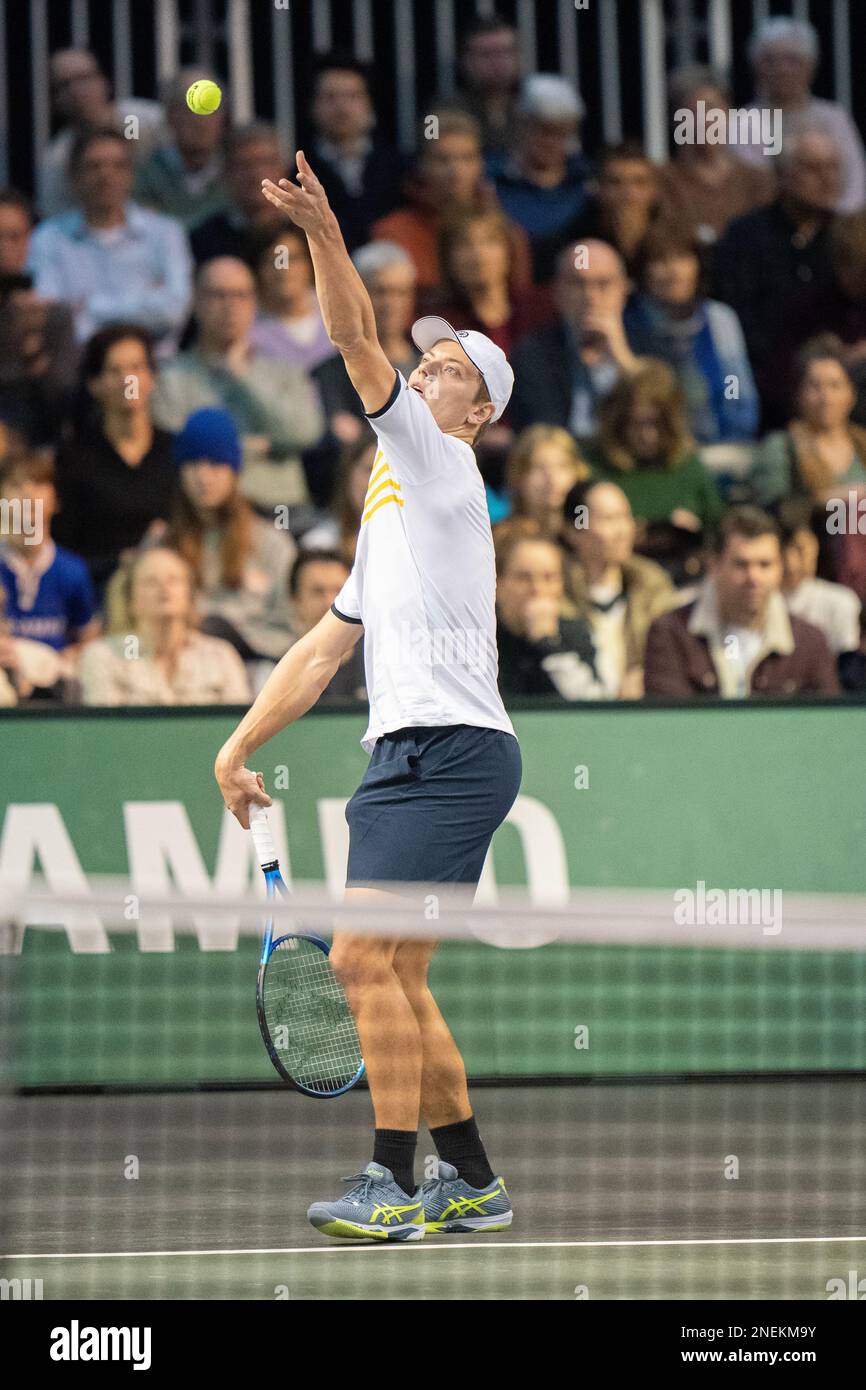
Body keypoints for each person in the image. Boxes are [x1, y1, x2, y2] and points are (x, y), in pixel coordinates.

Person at [215, 150, 522, 1242]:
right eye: (426, 360)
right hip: (420, 751)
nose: (422, 367)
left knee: (354, 959)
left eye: (442, 366)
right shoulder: (391, 501)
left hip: (445, 748)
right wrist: (236, 742)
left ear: (473, 411)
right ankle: (472, 1180)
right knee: (395, 972)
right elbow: (320, 647)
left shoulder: (439, 461)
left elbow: (351, 339)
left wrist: (323, 232)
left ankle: (390, 1181)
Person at [151, 256, 323, 513]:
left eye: (241, 295)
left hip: (282, 509)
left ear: (254, 303)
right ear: (196, 302)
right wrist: (258, 446)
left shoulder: (286, 370)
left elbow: (304, 433)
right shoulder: (171, 377)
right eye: (218, 295)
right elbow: (177, 449)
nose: (230, 306)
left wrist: (245, 377)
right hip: (204, 513)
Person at [27, 128, 193, 354]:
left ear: (131, 174)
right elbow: (52, 319)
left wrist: (89, 307)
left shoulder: (165, 233)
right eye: (93, 166)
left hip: (154, 366)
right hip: (79, 366)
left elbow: (173, 311)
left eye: (118, 166)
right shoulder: (48, 237)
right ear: (74, 176)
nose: (106, 176)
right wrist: (145, 302)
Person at [644, 507, 839, 697]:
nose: (754, 577)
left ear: (780, 568)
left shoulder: (808, 642)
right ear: (714, 566)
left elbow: (825, 725)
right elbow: (671, 723)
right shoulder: (671, 633)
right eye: (741, 565)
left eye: (765, 565)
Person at [165, 407, 296, 662]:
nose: (203, 476)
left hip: (256, 662)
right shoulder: (165, 544)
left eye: (216, 464)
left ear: (234, 471)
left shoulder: (272, 543)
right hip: (184, 664)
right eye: (193, 464)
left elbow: (288, 625)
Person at [713, 128, 841, 387]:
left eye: (833, 168)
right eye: (813, 169)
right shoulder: (745, 236)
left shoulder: (848, 237)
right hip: (767, 373)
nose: (827, 179)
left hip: (840, 372)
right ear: (782, 175)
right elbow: (737, 318)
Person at [53, 325, 176, 594]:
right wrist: (125, 561)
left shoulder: (176, 450)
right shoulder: (74, 458)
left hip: (171, 585)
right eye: (115, 370)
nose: (127, 380)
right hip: (101, 589)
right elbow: (65, 551)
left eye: (137, 367)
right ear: (94, 384)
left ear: (152, 377)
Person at [585, 360, 724, 583]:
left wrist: (694, 536)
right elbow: (575, 529)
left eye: (657, 424)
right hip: (612, 581)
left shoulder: (687, 465)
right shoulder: (596, 467)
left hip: (685, 579)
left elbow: (718, 532)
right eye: (637, 423)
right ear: (618, 420)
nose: (647, 435)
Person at [371, 109, 532, 296]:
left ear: (481, 163)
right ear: (422, 164)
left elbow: (521, 303)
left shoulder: (506, 232)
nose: (456, 171)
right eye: (443, 159)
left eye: (467, 157)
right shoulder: (393, 233)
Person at [625, 227, 759, 444]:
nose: (674, 271)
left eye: (682, 258)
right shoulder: (629, 323)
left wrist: (736, 433)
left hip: (720, 449)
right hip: (652, 448)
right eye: (660, 260)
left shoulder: (719, 318)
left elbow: (735, 387)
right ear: (643, 270)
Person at [81, 546, 249, 705]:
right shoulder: (104, 656)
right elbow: (106, 728)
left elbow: (239, 724)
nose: (164, 587)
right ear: (130, 599)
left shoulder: (221, 656)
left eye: (173, 580)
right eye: (151, 581)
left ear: (189, 595)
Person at [510, 239, 640, 438]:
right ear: (558, 293)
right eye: (578, 284)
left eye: (603, 284)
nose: (590, 296)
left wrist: (622, 358)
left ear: (623, 291)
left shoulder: (649, 343)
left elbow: (663, 421)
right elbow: (543, 432)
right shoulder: (533, 354)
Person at [738, 17, 866, 214]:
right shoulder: (743, 122)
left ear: (811, 67)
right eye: (771, 60)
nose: (782, 69)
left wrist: (836, 220)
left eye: (793, 60)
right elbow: (752, 183)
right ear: (756, 67)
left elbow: (856, 180)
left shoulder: (834, 117)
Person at [561, 479, 674, 698]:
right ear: (574, 530)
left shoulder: (654, 590)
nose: (623, 530)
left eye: (626, 517)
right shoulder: (554, 594)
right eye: (609, 519)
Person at [0, 452, 99, 678]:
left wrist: (72, 656)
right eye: (16, 484)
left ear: (55, 500)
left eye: (38, 483)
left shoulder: (72, 571)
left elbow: (89, 640)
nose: (27, 493)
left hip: (57, 689)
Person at [312, 242, 419, 445]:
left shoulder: (429, 365)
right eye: (380, 291)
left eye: (401, 292)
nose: (391, 304)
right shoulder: (331, 373)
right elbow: (342, 432)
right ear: (357, 295)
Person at [38, 48, 163, 218]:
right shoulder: (59, 156)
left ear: (104, 81)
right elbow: (55, 215)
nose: (77, 90)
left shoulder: (134, 119)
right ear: (55, 99)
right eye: (65, 84)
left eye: (84, 78)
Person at [658, 66, 775, 247]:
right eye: (691, 112)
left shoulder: (758, 180)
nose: (704, 120)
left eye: (712, 109)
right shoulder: (663, 180)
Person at [493, 74, 590, 284]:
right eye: (544, 131)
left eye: (562, 132)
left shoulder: (588, 181)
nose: (552, 142)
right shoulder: (491, 181)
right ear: (520, 126)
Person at [750, 335, 866, 509]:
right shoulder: (782, 447)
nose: (826, 398)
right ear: (798, 394)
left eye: (835, 385)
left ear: (851, 394)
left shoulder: (862, 444)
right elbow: (772, 508)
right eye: (814, 386)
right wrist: (829, 500)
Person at [0, 189, 77, 445]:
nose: (4, 248)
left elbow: (62, 407)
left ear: (29, 241)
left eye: (14, 237)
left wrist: (33, 348)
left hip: (36, 446)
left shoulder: (53, 316)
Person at [307, 54, 405, 253]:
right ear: (312, 105)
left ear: (369, 103)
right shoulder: (297, 171)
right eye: (330, 97)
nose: (342, 108)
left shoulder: (400, 168)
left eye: (353, 96)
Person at [493, 521, 602, 699]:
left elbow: (592, 704)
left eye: (549, 577)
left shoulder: (575, 633)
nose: (537, 589)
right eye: (524, 578)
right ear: (498, 583)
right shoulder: (482, 638)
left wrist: (548, 643)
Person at [424, 208, 551, 356]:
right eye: (465, 244)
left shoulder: (540, 312)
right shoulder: (439, 324)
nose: (478, 254)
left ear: (508, 251)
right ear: (448, 258)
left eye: (489, 242)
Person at [133, 68, 229, 231]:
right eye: (190, 110)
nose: (201, 122)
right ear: (169, 117)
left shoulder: (237, 172)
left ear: (223, 118)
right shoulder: (146, 174)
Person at [190, 124, 291, 268]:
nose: (256, 175)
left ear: (284, 169)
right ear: (226, 172)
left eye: (266, 163)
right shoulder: (203, 240)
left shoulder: (307, 232)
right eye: (245, 165)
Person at [777, 499, 861, 668]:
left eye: (800, 550)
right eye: (781, 551)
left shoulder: (840, 602)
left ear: (817, 545)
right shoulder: (753, 599)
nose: (790, 564)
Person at [570, 143, 669, 279]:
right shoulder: (578, 241)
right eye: (615, 182)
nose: (628, 194)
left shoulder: (676, 239)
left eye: (639, 182)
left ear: (654, 189)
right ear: (599, 189)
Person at [250, 226, 333, 372]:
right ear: (258, 270)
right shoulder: (247, 328)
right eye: (273, 260)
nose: (283, 269)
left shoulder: (339, 312)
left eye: (292, 259)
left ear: (310, 262)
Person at [288, 549, 366, 703]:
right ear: (295, 601)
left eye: (339, 591)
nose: (330, 602)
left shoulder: (380, 664)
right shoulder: (280, 672)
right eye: (318, 592)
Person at [452, 13, 521, 161]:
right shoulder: (441, 109)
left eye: (505, 52)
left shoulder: (535, 105)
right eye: (486, 54)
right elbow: (429, 149)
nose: (497, 62)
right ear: (465, 61)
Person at [300, 434, 377, 564]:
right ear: (349, 474)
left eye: (388, 472)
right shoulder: (319, 545)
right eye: (370, 469)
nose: (378, 481)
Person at [505, 424, 590, 538]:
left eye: (562, 466)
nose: (552, 478)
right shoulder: (502, 539)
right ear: (518, 475)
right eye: (539, 467)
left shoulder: (589, 536)